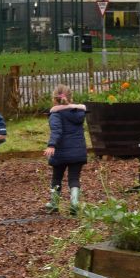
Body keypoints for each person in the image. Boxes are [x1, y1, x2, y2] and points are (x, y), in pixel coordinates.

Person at [44, 84, 88, 214]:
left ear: (54, 99)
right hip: (77, 152)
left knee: (56, 178)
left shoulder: (55, 114)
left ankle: (54, 203)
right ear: (71, 98)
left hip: (61, 153)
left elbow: (56, 131)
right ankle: (74, 203)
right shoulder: (78, 113)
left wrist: (51, 145)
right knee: (74, 178)